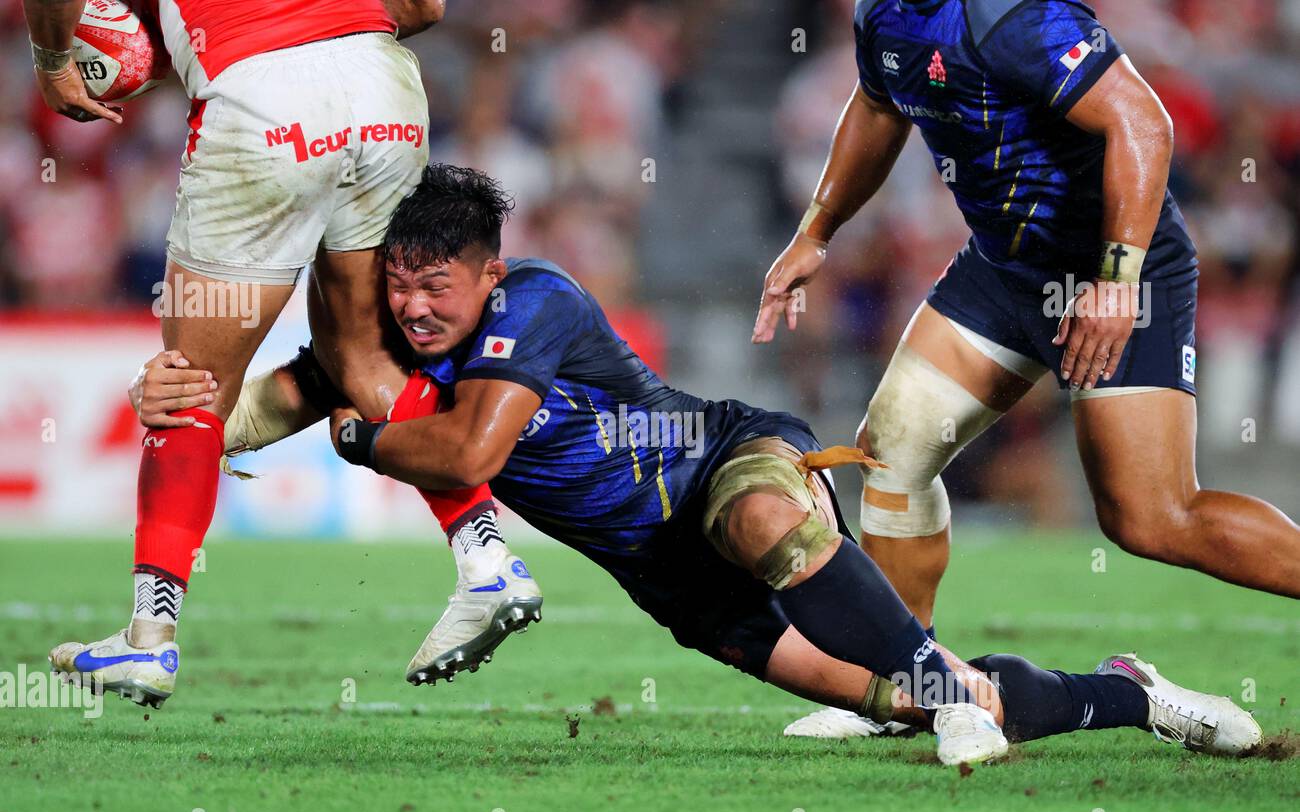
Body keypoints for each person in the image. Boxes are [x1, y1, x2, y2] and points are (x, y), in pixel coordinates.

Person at [268, 163, 1257, 764]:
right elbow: (277, 397)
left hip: (718, 459)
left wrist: (359, 438)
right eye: (396, 289)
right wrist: (192, 404)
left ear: (487, 271)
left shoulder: (536, 300)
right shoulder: (387, 347)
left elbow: (473, 449)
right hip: (666, 577)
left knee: (762, 523)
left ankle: (953, 694)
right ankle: (1128, 692)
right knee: (908, 701)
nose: (413, 309)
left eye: (435, 286)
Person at [752, 0, 1300, 735]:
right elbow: (879, 104)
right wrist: (816, 230)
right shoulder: (881, 12)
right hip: (1004, 270)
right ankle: (910, 686)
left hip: (1108, 266)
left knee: (1152, 518)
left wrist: (1115, 277)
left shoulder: (1012, 15)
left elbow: (1142, 122)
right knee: (894, 454)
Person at [28, 0, 539, 708]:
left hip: (262, 92)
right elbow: (425, 6)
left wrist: (54, 61)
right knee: (366, 360)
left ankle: (149, 642)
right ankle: (487, 560)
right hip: (381, 90)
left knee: (190, 385)